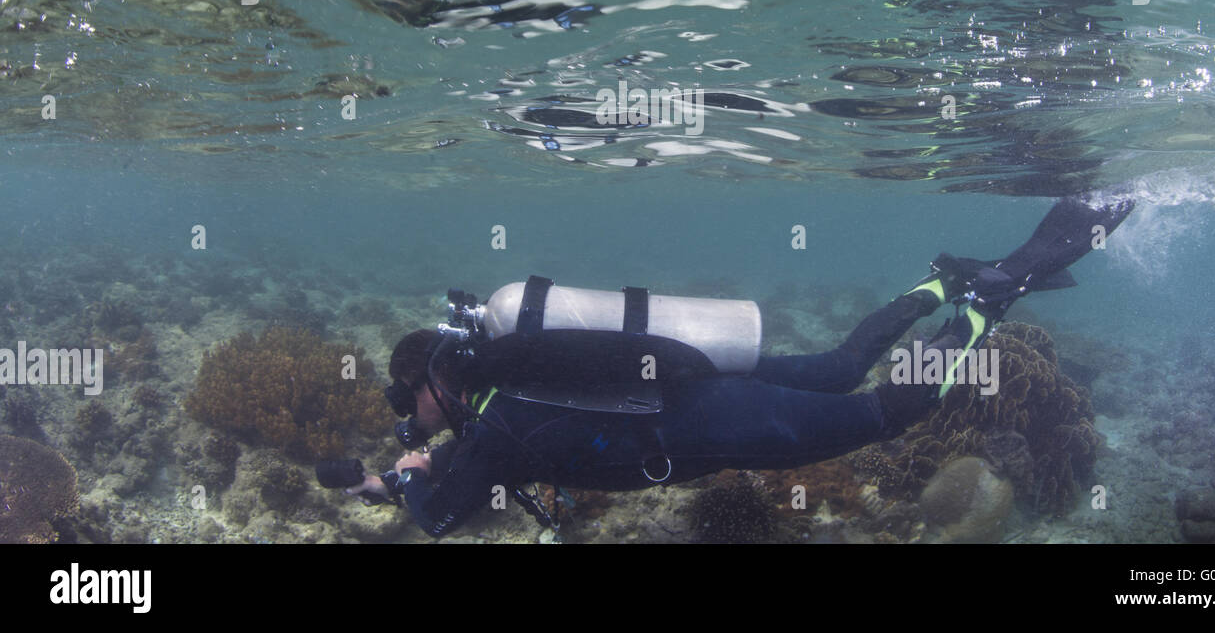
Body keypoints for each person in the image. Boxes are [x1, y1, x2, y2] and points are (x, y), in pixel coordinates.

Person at [355, 196, 1133, 537]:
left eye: (405, 401)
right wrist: (415, 467)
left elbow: (443, 515)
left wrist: (408, 475)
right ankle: (937, 285)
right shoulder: (506, 388)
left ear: (434, 382)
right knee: (837, 367)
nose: (406, 416)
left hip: (717, 424)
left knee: (888, 413)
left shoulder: (490, 426)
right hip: (699, 382)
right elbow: (478, 453)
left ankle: (986, 303)